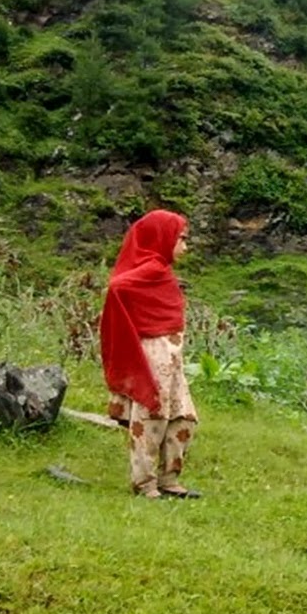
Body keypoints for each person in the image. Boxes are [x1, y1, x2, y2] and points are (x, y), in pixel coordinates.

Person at [100, 210, 201, 499]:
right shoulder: (152, 269)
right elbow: (118, 287)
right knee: (152, 414)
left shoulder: (160, 269)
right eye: (181, 239)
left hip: (171, 355)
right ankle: (145, 483)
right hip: (154, 354)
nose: (185, 246)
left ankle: (169, 478)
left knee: (183, 416)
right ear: (163, 237)